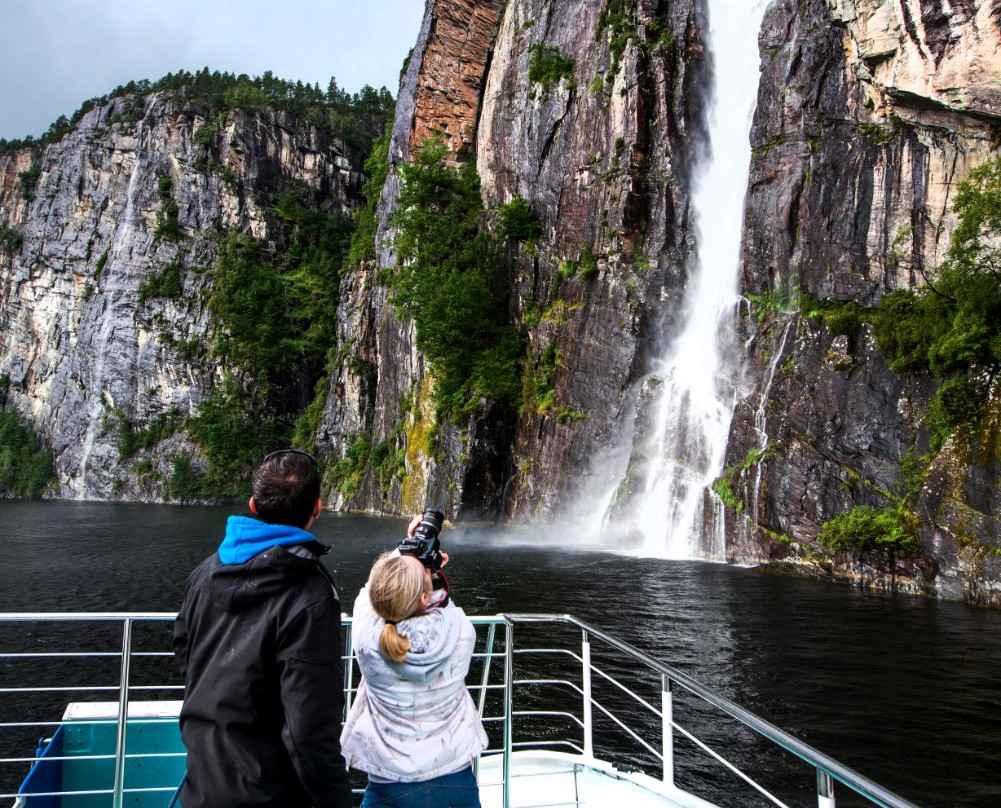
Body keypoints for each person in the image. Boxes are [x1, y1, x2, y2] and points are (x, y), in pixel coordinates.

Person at [172, 449, 353, 808]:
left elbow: (184, 652)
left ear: (253, 505)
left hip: (203, 782)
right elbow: (309, 726)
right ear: (317, 508)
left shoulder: (205, 572)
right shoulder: (310, 595)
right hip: (271, 793)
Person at [341, 529, 488, 808]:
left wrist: (406, 551)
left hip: (388, 783)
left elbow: (370, 592)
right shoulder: (460, 632)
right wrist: (431, 571)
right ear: (424, 598)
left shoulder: (367, 640)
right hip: (455, 779)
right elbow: (444, 605)